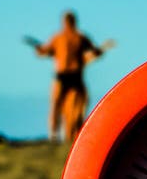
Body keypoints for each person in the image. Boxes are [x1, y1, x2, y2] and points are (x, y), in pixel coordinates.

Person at [27, 11, 114, 142]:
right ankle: (55, 134)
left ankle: (66, 134)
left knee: (72, 107)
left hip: (72, 76)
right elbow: (45, 51)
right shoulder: (61, 38)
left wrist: (102, 49)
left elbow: (94, 52)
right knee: (57, 105)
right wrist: (39, 49)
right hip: (64, 76)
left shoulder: (77, 38)